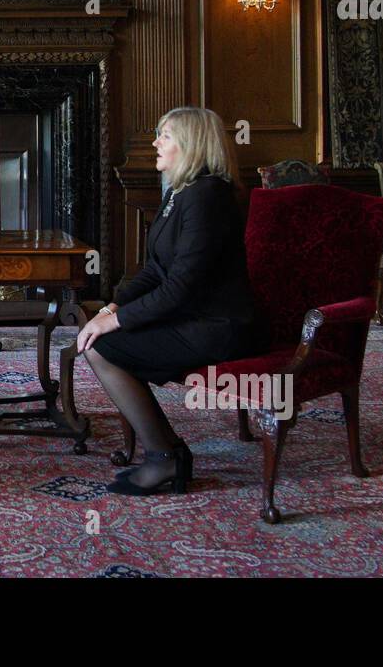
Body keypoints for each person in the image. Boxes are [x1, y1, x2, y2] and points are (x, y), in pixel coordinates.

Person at [76, 107, 256, 496]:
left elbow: (181, 288)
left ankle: (163, 456)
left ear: (192, 145)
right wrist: (111, 307)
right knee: (100, 338)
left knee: (103, 347)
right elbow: (156, 270)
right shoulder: (180, 192)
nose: (155, 143)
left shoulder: (208, 197)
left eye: (165, 136)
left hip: (217, 327)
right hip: (191, 316)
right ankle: (170, 452)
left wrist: (115, 323)